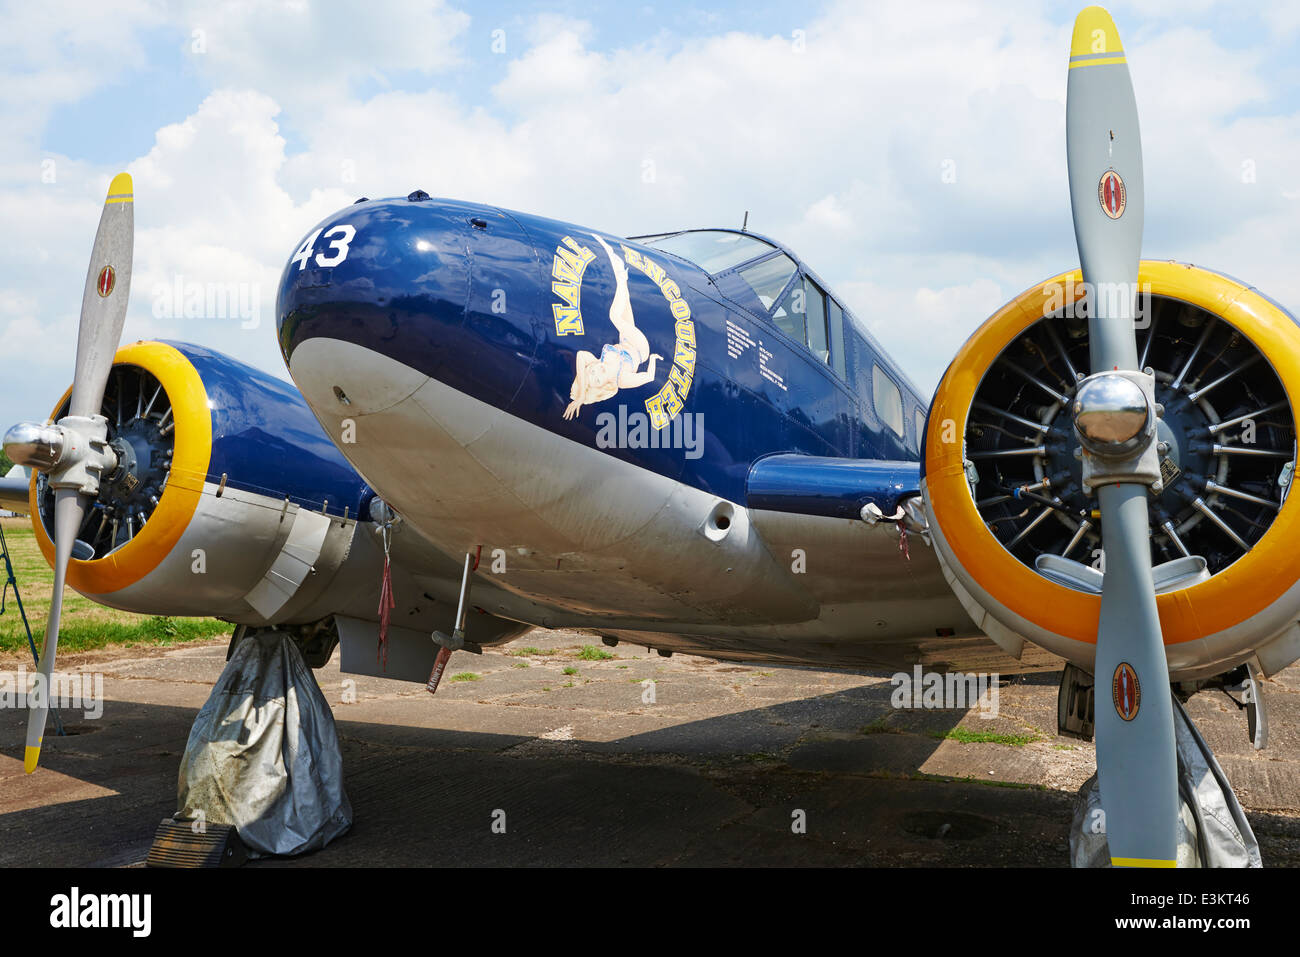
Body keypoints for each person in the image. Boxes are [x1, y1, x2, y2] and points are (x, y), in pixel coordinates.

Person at [563, 234, 661, 420]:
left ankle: (621, 276)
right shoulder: (621, 379)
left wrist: (582, 394)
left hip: (625, 340)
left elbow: (581, 357)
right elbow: (648, 378)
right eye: (597, 379)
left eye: (592, 371)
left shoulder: (598, 360)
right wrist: (654, 359)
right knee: (615, 314)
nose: (596, 370)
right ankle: (621, 275)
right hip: (640, 348)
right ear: (604, 386)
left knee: (624, 301)